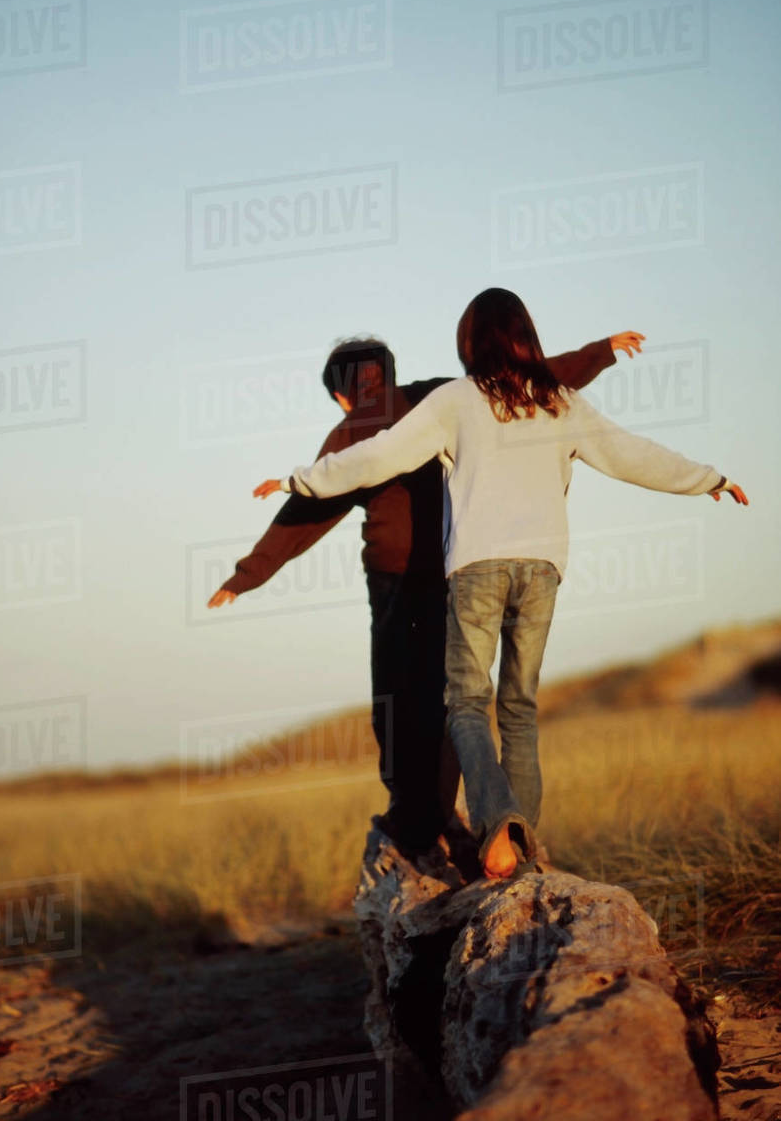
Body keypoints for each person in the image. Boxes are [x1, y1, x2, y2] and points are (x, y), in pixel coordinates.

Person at [254, 288, 748, 878]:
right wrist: (706, 479)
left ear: (469, 343)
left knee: (465, 704)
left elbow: (377, 457)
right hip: (543, 569)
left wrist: (299, 481)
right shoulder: (559, 400)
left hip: (476, 568)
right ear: (525, 337)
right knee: (520, 708)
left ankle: (496, 831)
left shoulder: (454, 400)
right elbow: (629, 453)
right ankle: (520, 844)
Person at [210, 324, 647, 854]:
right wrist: (600, 353)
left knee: (395, 699)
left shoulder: (353, 429)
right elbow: (532, 379)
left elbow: (308, 510)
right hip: (457, 571)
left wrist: (247, 575)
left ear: (340, 393)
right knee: (450, 698)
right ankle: (440, 813)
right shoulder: (441, 395)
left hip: (395, 582)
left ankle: (413, 815)